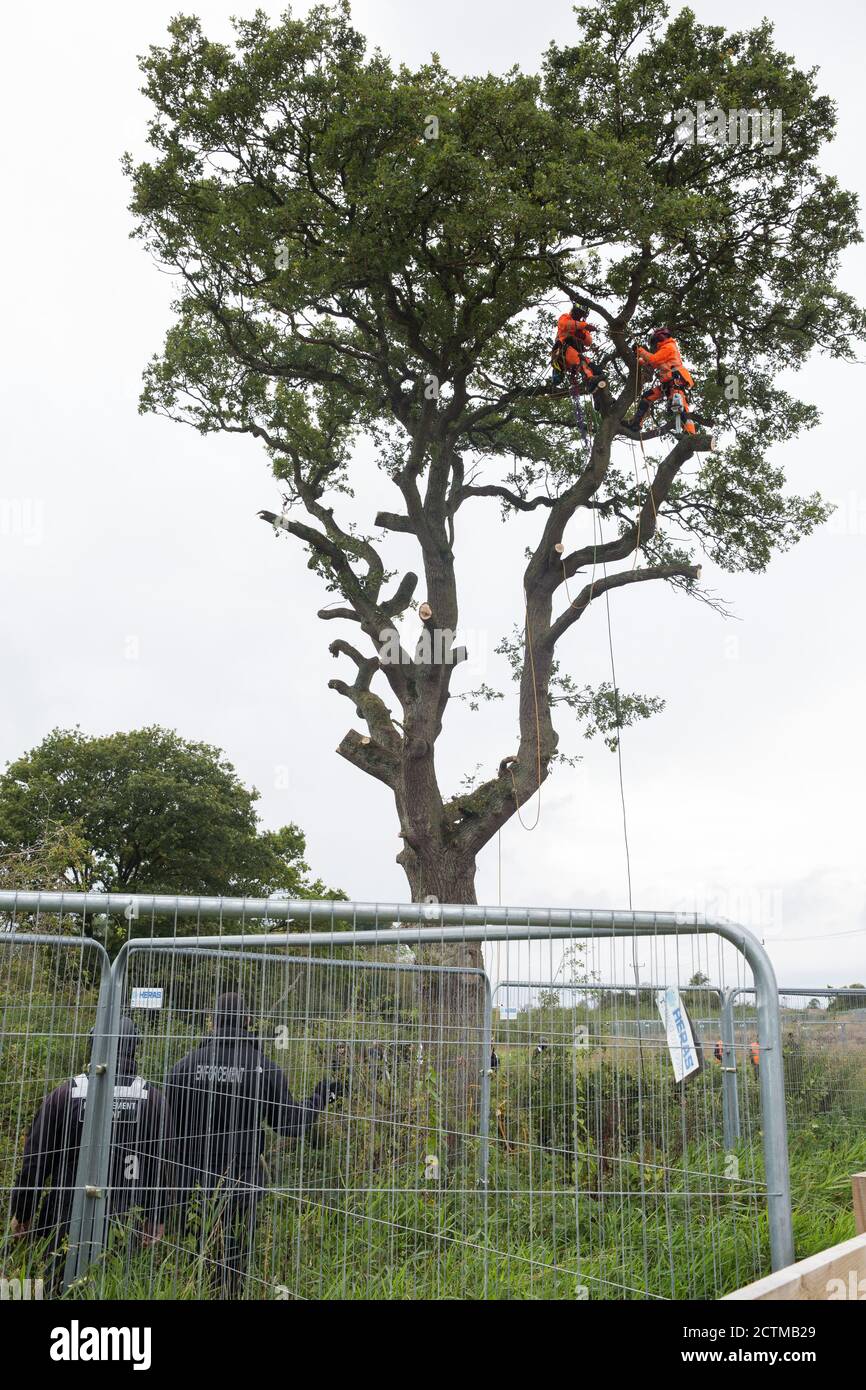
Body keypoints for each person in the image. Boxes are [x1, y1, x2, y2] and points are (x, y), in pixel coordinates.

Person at [164, 992, 341, 1296]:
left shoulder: (182, 1067)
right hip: (241, 1182)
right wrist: (322, 1096)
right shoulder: (263, 1067)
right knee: (233, 1262)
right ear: (247, 1021)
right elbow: (290, 1124)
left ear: (214, 1021)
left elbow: (167, 1128)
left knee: (195, 1258)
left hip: (190, 1183)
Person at [9, 1016, 168, 1289]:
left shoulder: (64, 1094)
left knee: (54, 1287)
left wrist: (23, 1212)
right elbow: (162, 1167)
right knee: (116, 1288)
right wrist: (157, 1217)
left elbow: (35, 1162)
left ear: (92, 1045)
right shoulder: (152, 1099)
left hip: (62, 1217)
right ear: (135, 1048)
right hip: (125, 1219)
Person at [631, 327, 696, 435]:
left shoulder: (669, 347)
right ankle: (636, 423)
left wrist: (640, 350)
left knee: (680, 407)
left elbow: (653, 359)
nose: (654, 345)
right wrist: (638, 358)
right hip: (667, 385)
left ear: (660, 338)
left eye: (655, 341)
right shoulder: (664, 350)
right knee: (647, 397)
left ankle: (690, 434)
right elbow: (652, 363)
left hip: (676, 382)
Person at [551, 303, 607, 396]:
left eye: (581, 314)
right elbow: (564, 324)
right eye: (578, 313)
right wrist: (583, 326)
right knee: (581, 361)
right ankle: (589, 379)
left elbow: (589, 342)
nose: (579, 316)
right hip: (563, 350)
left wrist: (583, 335)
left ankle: (598, 396)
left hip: (574, 355)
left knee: (592, 366)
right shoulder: (566, 317)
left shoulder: (582, 328)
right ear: (574, 311)